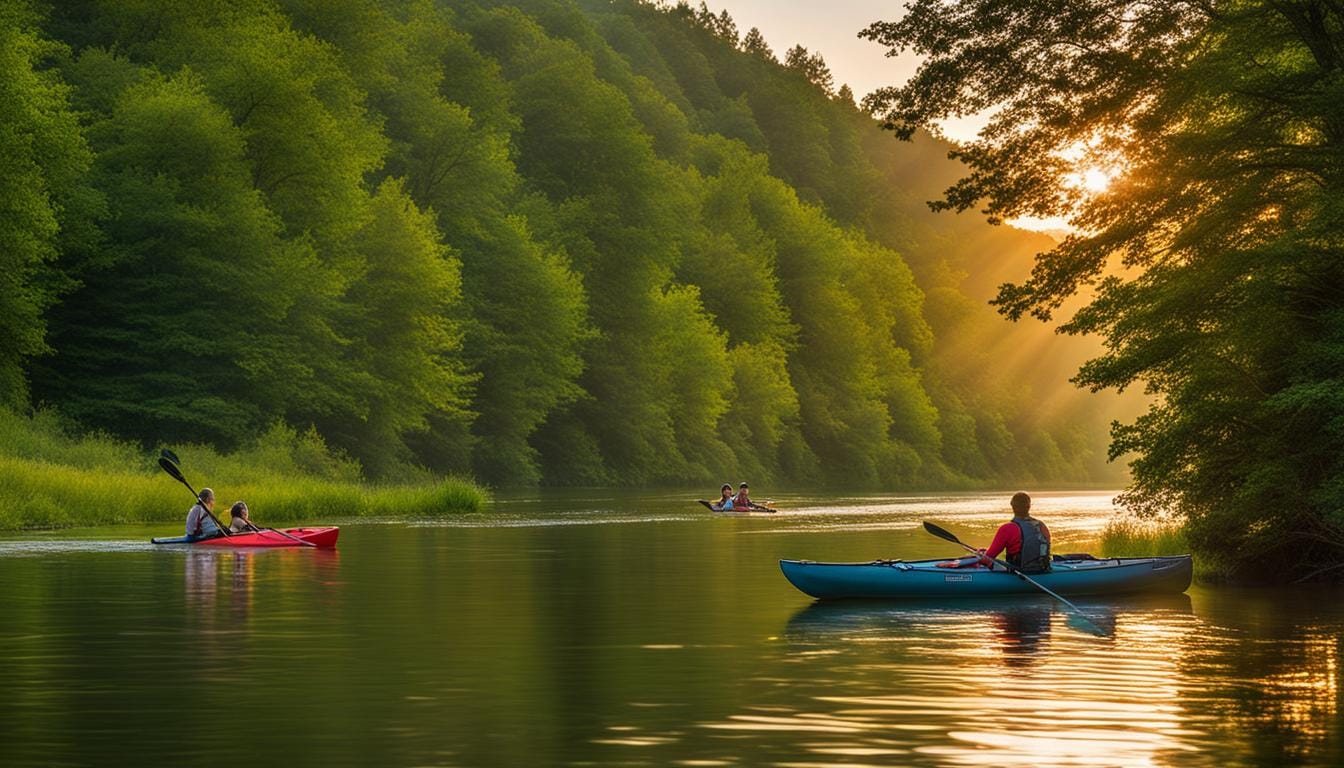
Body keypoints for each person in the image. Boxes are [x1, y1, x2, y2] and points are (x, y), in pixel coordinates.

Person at [978, 491, 1051, 573]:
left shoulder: (1007, 528)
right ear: (1029, 506)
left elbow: (986, 559)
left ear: (1012, 506)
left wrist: (982, 554)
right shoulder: (1042, 526)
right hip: (1042, 569)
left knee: (987, 560)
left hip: (1019, 571)